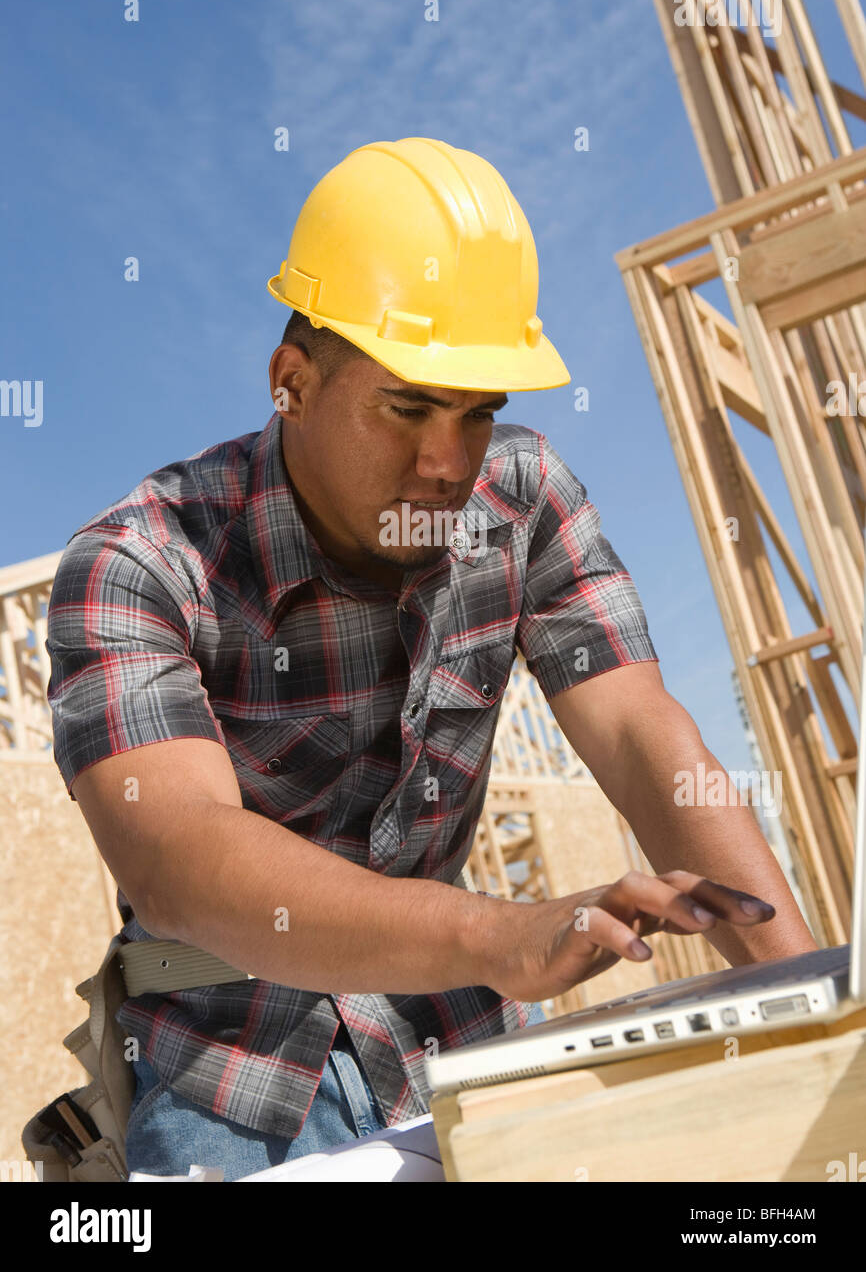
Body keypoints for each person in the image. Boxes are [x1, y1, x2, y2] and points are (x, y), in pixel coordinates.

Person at [46, 137, 816, 1181]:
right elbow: (179, 857)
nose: (447, 462)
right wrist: (495, 935)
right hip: (228, 1072)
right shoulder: (142, 559)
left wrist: (813, 1002)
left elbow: (641, 735)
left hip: (457, 1042)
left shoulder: (526, 500)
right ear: (291, 383)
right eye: (405, 406)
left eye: (476, 410)